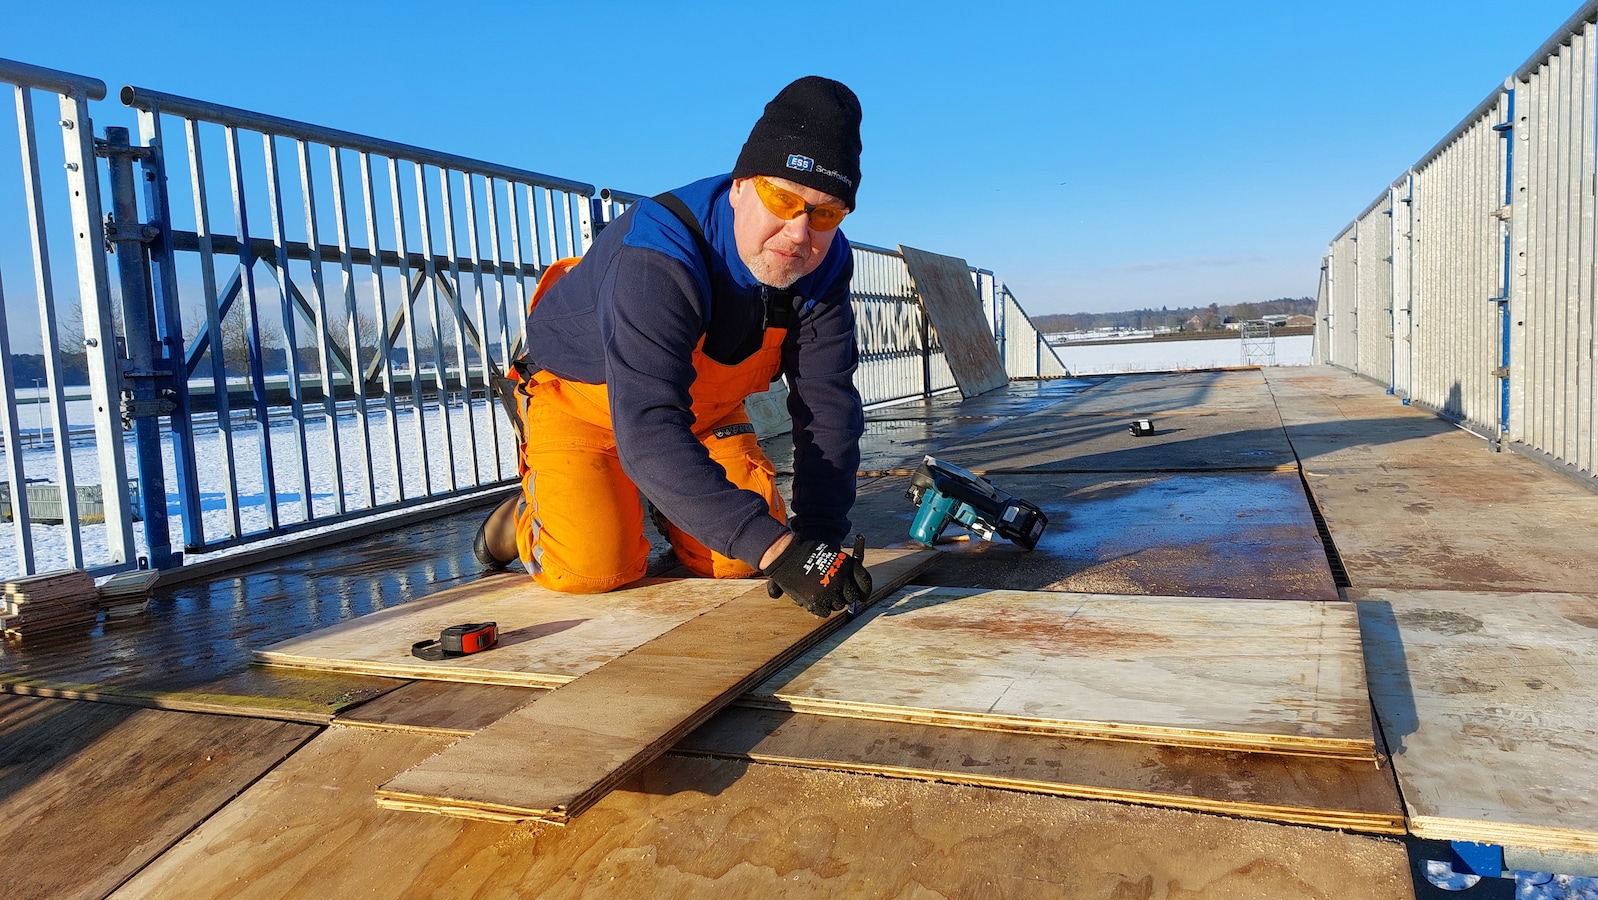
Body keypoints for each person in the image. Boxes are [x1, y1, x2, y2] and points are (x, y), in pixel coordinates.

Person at [474, 76, 872, 617]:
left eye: (825, 213)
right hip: (582, 404)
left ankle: (666, 493)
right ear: (740, 186)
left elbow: (828, 405)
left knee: (737, 561)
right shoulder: (659, 254)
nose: (800, 233)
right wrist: (781, 551)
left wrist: (819, 540)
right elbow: (649, 427)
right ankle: (520, 517)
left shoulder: (824, 262)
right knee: (593, 569)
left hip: (703, 412)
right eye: (783, 199)